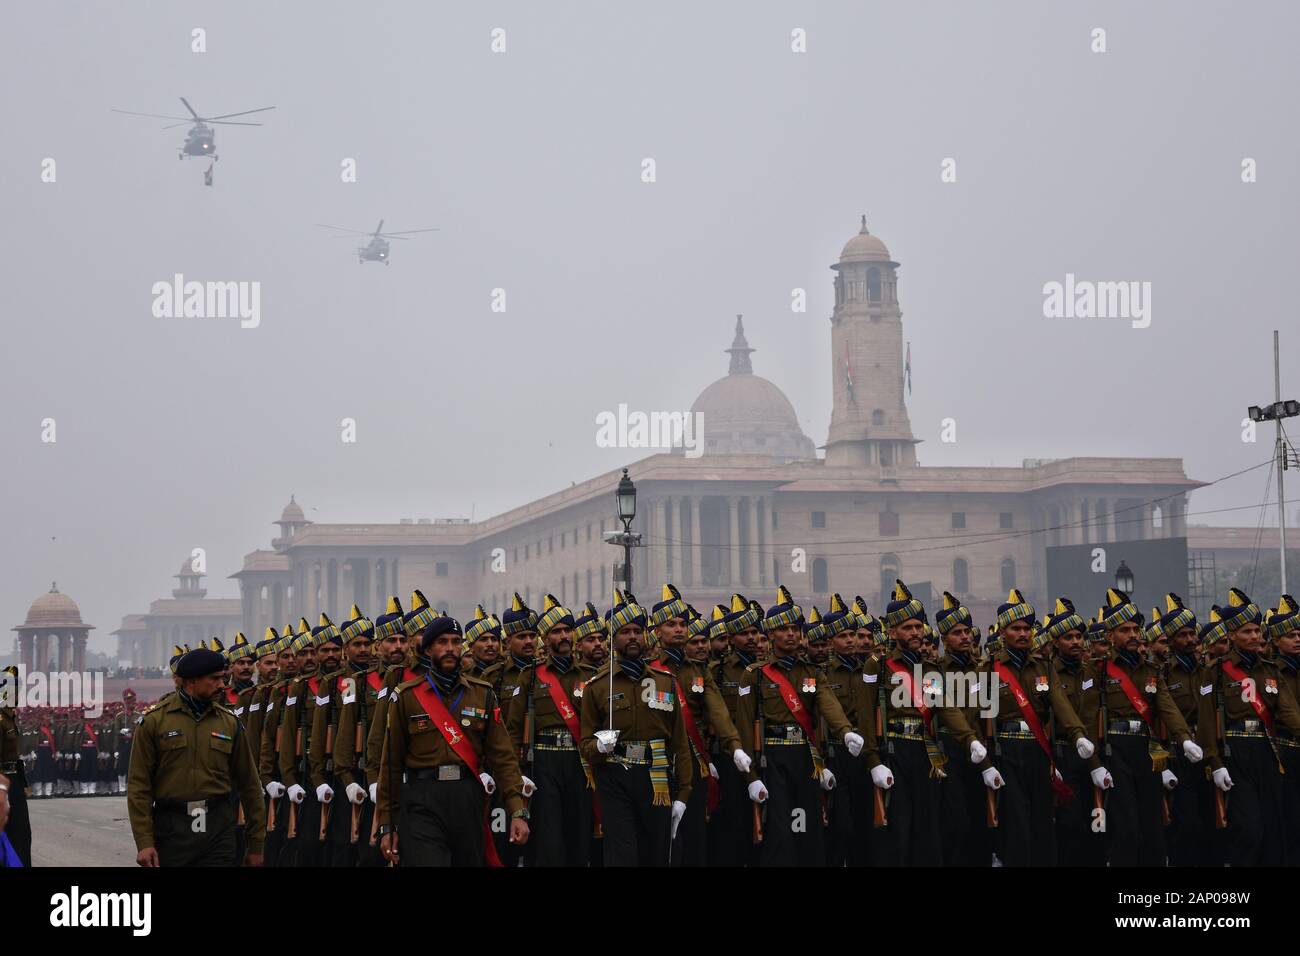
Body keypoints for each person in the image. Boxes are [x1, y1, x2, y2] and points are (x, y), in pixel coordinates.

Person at [377, 615, 529, 866]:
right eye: (442, 642)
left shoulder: (482, 694)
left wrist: (517, 810)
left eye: (456, 642)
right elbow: (390, 765)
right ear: (427, 649)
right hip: (423, 798)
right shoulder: (406, 697)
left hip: (466, 796)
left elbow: (503, 757)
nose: (450, 649)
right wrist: (386, 824)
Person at [735, 586, 865, 867]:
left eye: (795, 628)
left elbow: (828, 704)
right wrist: (750, 776)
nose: (791, 634)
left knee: (808, 828)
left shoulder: (811, 672)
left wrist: (845, 731)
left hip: (805, 759)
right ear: (770, 635)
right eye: (784, 629)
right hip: (772, 759)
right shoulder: (754, 675)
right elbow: (746, 726)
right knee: (779, 832)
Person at [578, 590, 692, 866]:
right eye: (625, 632)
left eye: (638, 631)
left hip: (656, 778)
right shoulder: (598, 687)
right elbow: (584, 744)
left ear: (646, 636)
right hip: (615, 776)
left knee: (656, 853)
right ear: (613, 639)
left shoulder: (665, 682)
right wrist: (599, 746)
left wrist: (684, 794)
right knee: (623, 854)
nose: (632, 637)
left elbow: (679, 742)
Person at [126, 647, 266, 866]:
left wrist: (256, 844)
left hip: (218, 829)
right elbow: (139, 786)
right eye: (215, 679)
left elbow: (250, 785)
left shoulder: (229, 723)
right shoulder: (154, 722)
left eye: (223, 678)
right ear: (191, 681)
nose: (222, 685)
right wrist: (144, 841)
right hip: (173, 830)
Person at [987, 588, 1095, 866]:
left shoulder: (1043, 668)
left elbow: (1060, 703)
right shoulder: (987, 669)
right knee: (1017, 823)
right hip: (1006, 751)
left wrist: (1077, 734)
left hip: (1037, 750)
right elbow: (981, 717)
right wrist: (985, 759)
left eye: (1027, 628)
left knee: (1042, 823)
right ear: (1002, 632)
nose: (1023, 634)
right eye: (1016, 628)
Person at [1197, 588, 1300, 866]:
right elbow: (1206, 722)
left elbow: (1289, 714)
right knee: (1250, 829)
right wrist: (1215, 762)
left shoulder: (1270, 670)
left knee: (1272, 831)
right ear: (1231, 635)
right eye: (1247, 632)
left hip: (1267, 752)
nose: (1255, 636)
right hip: (1236, 755)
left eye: (1257, 631)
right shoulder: (1216, 671)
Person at [648, 585, 748, 867]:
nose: (679, 630)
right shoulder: (649, 669)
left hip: (693, 761)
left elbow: (717, 711)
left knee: (694, 836)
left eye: (683, 624)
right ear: (658, 631)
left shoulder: (699, 670)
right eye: (671, 624)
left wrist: (734, 745)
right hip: (659, 760)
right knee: (663, 838)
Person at [506, 594, 593, 866]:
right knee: (549, 840)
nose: (564, 636)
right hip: (543, 763)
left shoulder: (590, 675)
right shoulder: (530, 675)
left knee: (580, 837)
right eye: (557, 631)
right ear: (546, 638)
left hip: (580, 763)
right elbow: (513, 728)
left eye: (568, 630)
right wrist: (516, 772)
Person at [0, 666, 31, 866]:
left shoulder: (11, 716)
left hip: (15, 781)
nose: (18, 693)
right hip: (3, 783)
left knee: (22, 835)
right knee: (9, 835)